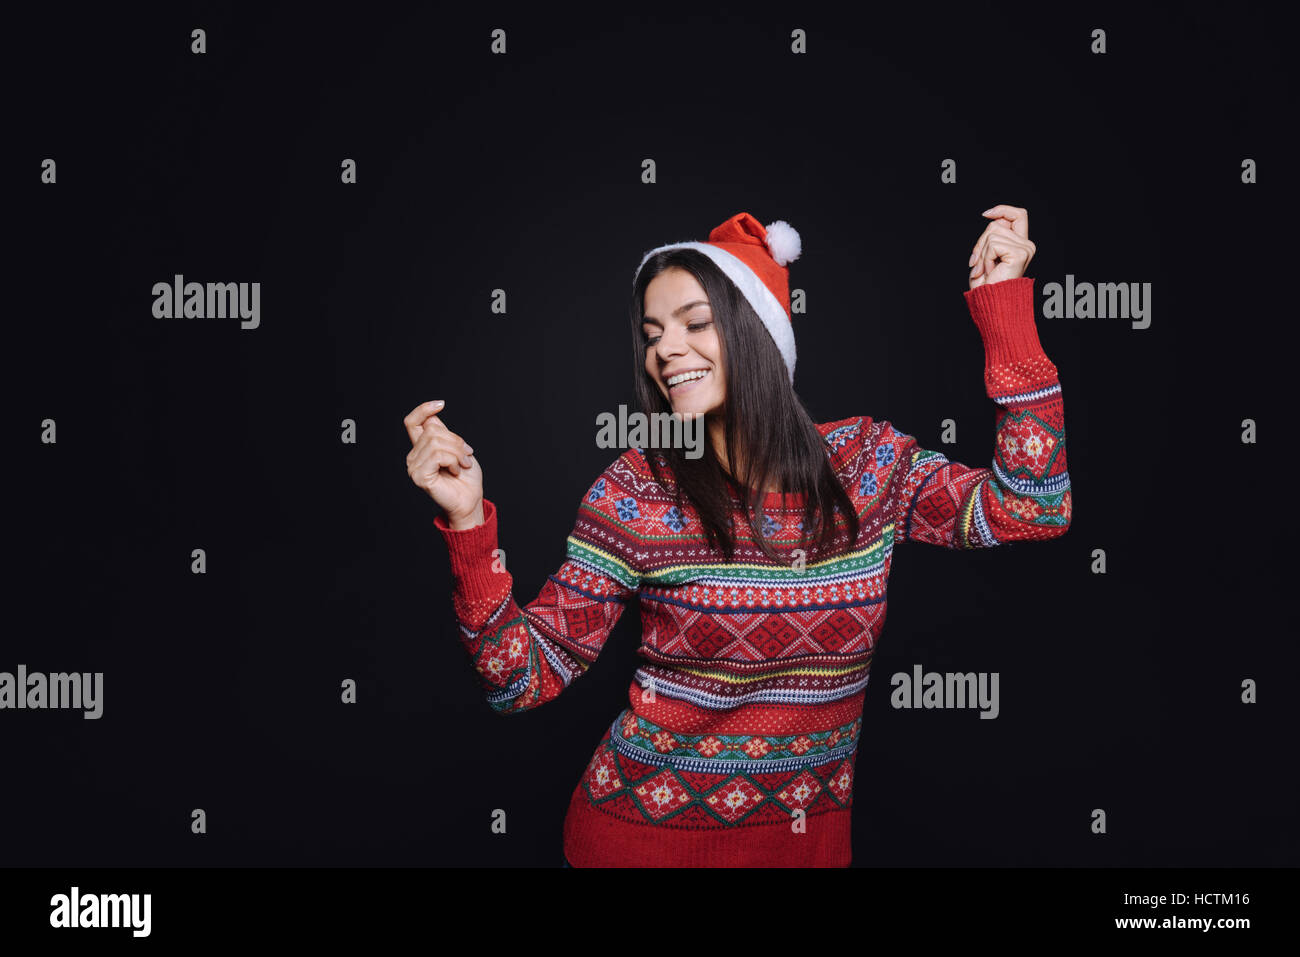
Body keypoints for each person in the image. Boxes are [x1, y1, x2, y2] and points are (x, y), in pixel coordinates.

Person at [403, 208, 1071, 867]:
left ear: (757, 330)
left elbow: (1032, 508)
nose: (665, 349)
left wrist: (1004, 312)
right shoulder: (636, 490)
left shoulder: (868, 464)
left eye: (696, 323)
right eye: (652, 332)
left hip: (807, 850)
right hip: (638, 846)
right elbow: (519, 678)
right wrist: (467, 524)